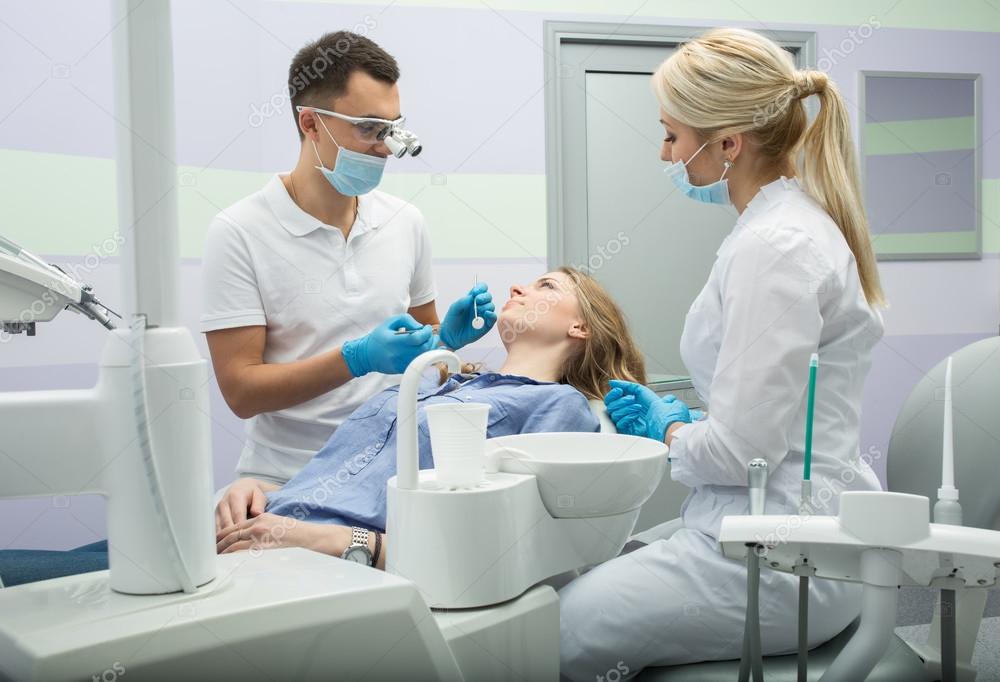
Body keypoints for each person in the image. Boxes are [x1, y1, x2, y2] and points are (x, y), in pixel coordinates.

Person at [557, 28, 886, 680]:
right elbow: (762, 420)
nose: (665, 153)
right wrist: (687, 423)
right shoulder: (776, 228)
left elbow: (742, 456)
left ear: (728, 144)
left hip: (785, 555)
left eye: (671, 135)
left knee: (550, 634)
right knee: (598, 573)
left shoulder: (776, 246)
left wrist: (668, 429)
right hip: (783, 526)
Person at [0, 268, 647, 584]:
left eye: (544, 286)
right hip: (258, 524)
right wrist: (257, 489)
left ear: (579, 327)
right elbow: (353, 469)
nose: (519, 288)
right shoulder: (442, 381)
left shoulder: (559, 413)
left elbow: (489, 547)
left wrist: (327, 541)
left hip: (307, 562)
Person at [201, 30, 495, 493]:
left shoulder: (405, 222)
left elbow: (423, 349)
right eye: (369, 129)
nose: (385, 147)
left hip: (393, 472)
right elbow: (242, 392)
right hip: (286, 479)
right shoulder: (239, 232)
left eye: (392, 129)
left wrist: (446, 343)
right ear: (311, 124)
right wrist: (354, 359)